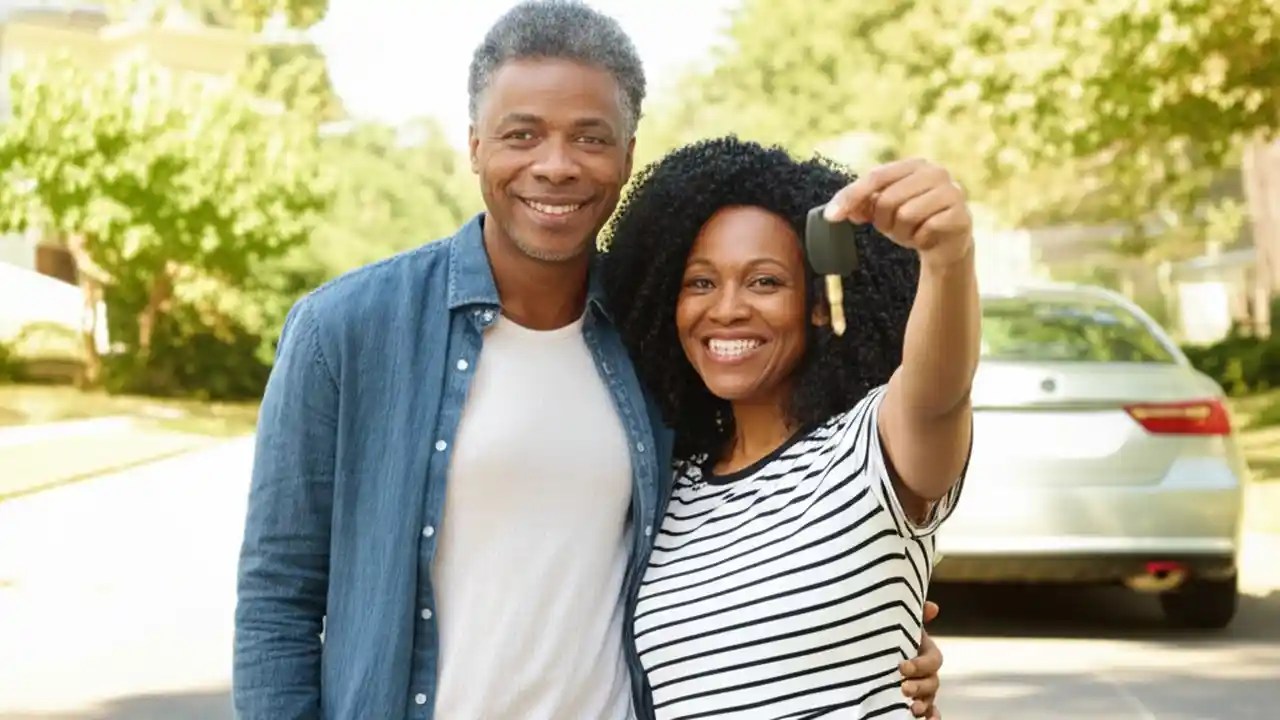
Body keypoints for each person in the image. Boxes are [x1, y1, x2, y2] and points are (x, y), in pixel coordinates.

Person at [232, 2, 944, 718]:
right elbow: (278, 598)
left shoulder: (658, 337)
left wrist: (873, 642)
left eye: (590, 138)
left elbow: (743, 533)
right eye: (523, 135)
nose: (556, 165)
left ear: (627, 157)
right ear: (476, 144)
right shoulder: (347, 330)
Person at [600, 136, 977, 718]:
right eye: (700, 282)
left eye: (764, 282)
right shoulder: (665, 492)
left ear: (820, 305)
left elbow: (940, 393)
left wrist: (948, 258)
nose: (726, 308)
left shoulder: (868, 450)